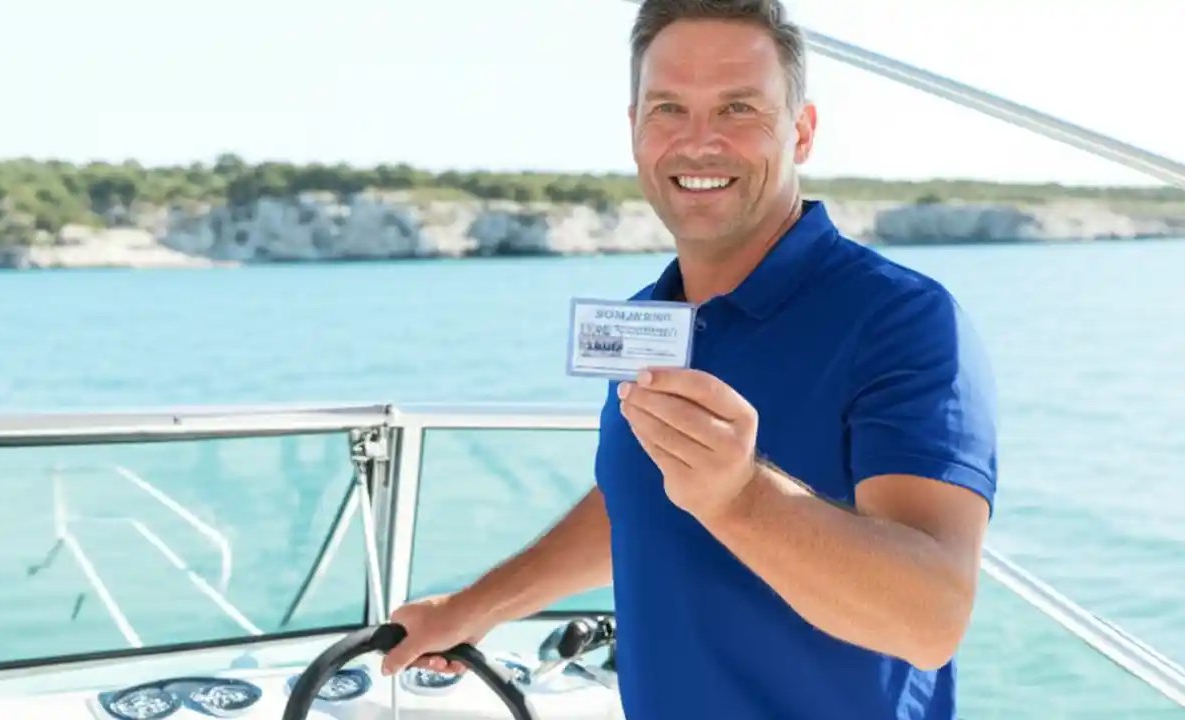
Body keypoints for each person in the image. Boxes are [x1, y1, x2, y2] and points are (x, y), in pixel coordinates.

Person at [381, 0, 997, 717]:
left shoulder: (903, 320)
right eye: (669, 109)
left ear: (801, 132)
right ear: (636, 131)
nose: (699, 142)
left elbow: (929, 621)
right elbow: (639, 498)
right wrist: (472, 608)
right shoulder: (649, 318)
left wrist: (740, 496)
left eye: (738, 109)